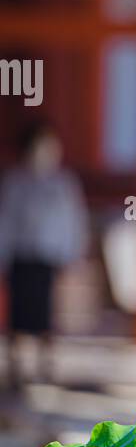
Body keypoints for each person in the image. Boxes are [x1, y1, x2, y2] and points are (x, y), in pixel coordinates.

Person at [0, 124, 89, 388]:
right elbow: (5, 220)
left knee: (46, 312)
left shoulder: (64, 183)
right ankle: (15, 365)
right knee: (18, 313)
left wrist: (72, 252)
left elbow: (73, 221)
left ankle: (44, 364)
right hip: (21, 254)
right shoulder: (15, 182)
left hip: (47, 256)